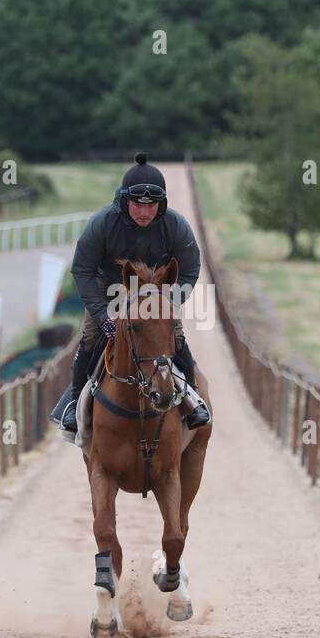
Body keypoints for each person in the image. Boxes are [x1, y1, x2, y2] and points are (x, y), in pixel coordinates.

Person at [49, 153, 212, 433]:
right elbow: (82, 271)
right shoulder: (102, 223)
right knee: (89, 338)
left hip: (154, 291)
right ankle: (74, 403)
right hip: (109, 290)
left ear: (161, 205)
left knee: (175, 335)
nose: (144, 212)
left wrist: (168, 304)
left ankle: (192, 398)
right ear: (125, 201)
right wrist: (102, 317)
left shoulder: (175, 226)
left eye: (152, 205)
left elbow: (190, 268)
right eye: (138, 204)